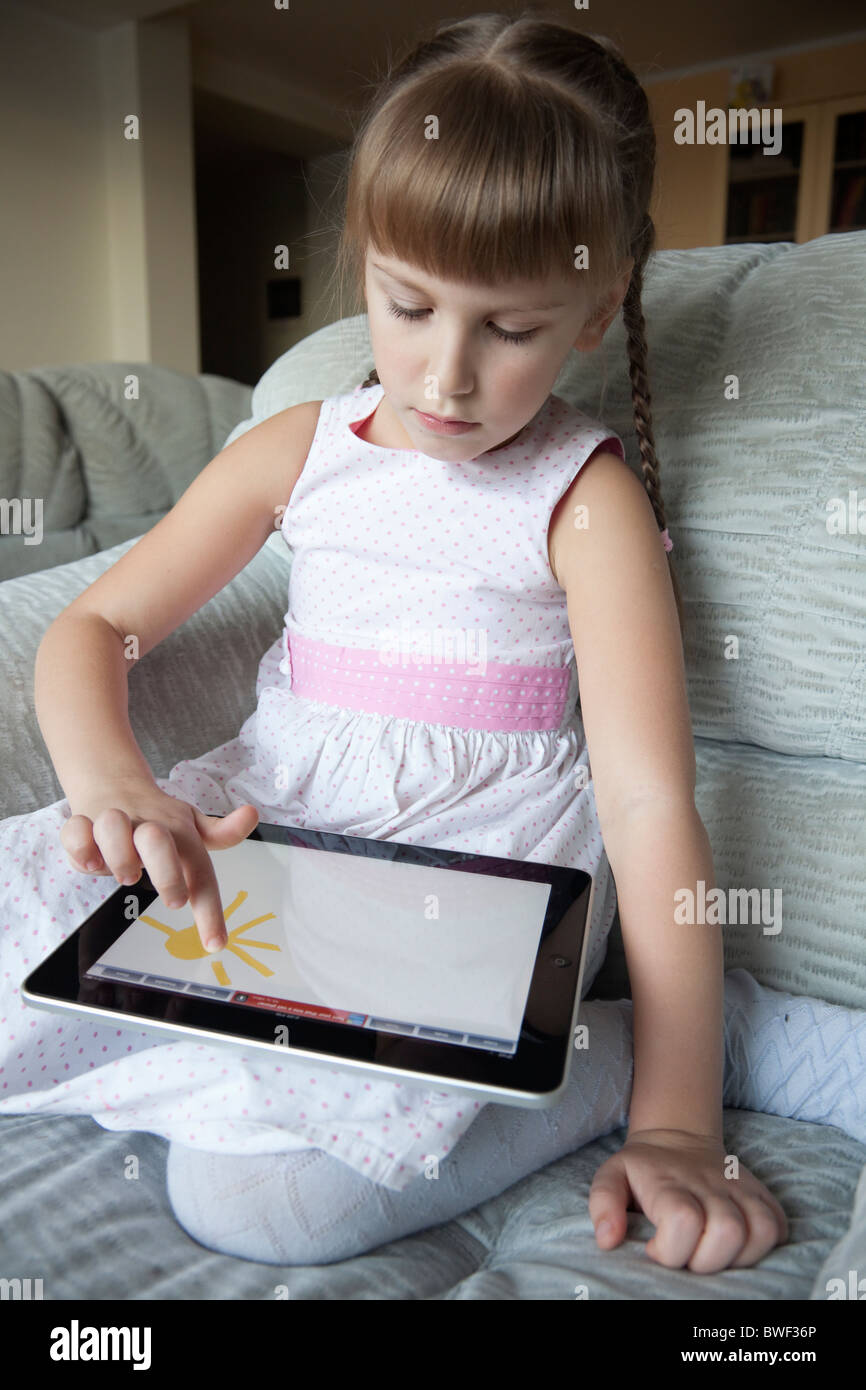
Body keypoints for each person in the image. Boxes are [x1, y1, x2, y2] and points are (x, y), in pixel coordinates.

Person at [2, 13, 862, 1277]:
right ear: (366, 264)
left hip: (467, 883)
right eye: (406, 306)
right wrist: (114, 782)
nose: (445, 375)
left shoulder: (582, 498)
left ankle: (662, 1043)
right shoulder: (300, 447)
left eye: (508, 329)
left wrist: (675, 1118)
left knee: (252, 1205)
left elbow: (643, 797)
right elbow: (95, 624)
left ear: (593, 308)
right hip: (276, 827)